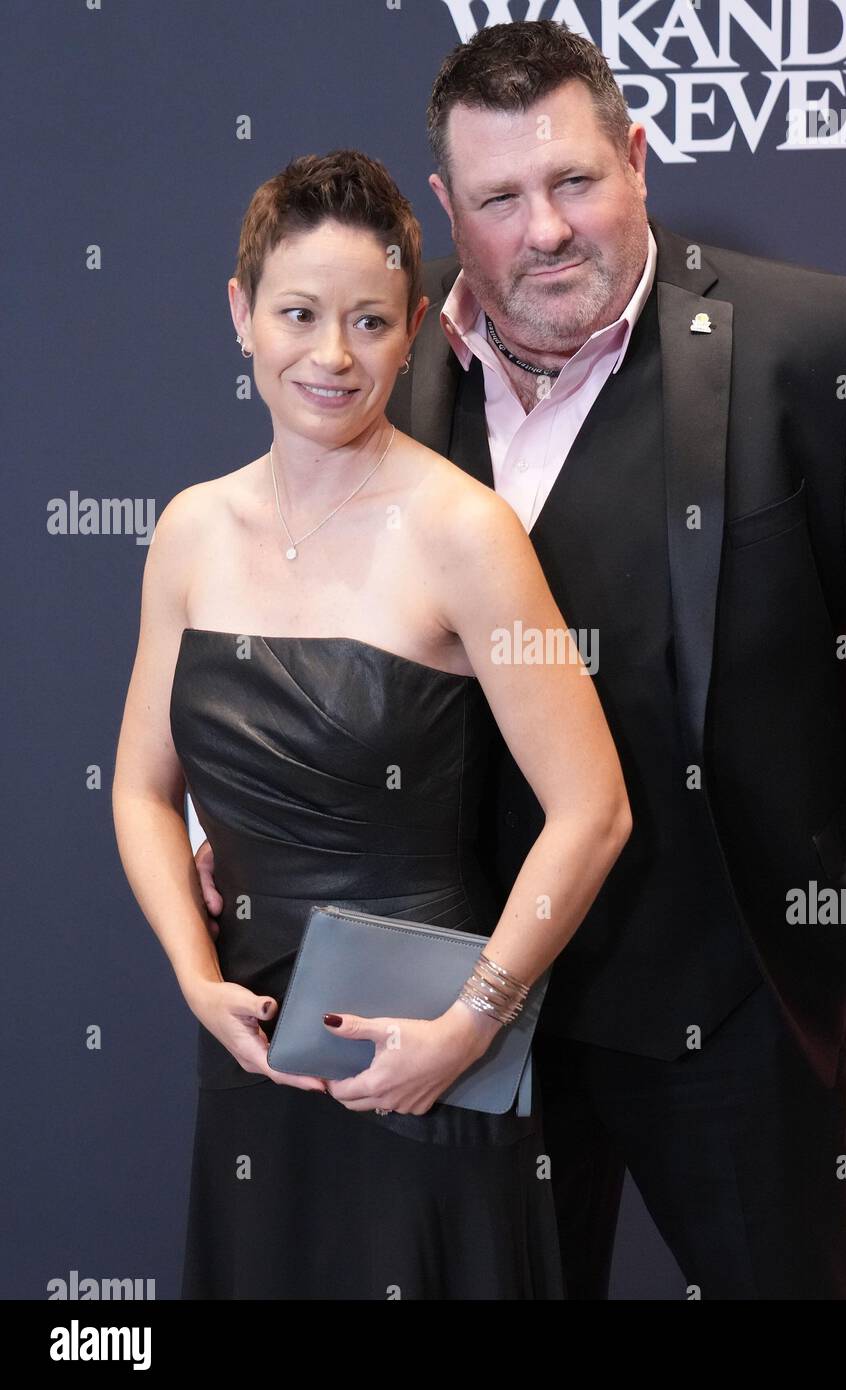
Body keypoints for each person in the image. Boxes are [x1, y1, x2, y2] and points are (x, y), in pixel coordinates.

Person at [196, 21, 846, 1299]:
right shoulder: (378, 368)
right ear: (451, 211)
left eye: (573, 181)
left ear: (634, 160)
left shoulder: (806, 344)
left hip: (728, 984)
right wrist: (229, 807)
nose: (546, 230)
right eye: (502, 200)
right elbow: (288, 597)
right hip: (452, 993)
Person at [111, 148, 631, 1300]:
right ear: (242, 314)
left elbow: (592, 810)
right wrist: (197, 981)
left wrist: (470, 1025)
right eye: (299, 313)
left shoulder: (467, 532)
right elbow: (141, 788)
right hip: (251, 1055)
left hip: (429, 1063)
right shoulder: (190, 532)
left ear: (413, 332)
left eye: (369, 320)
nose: (332, 356)